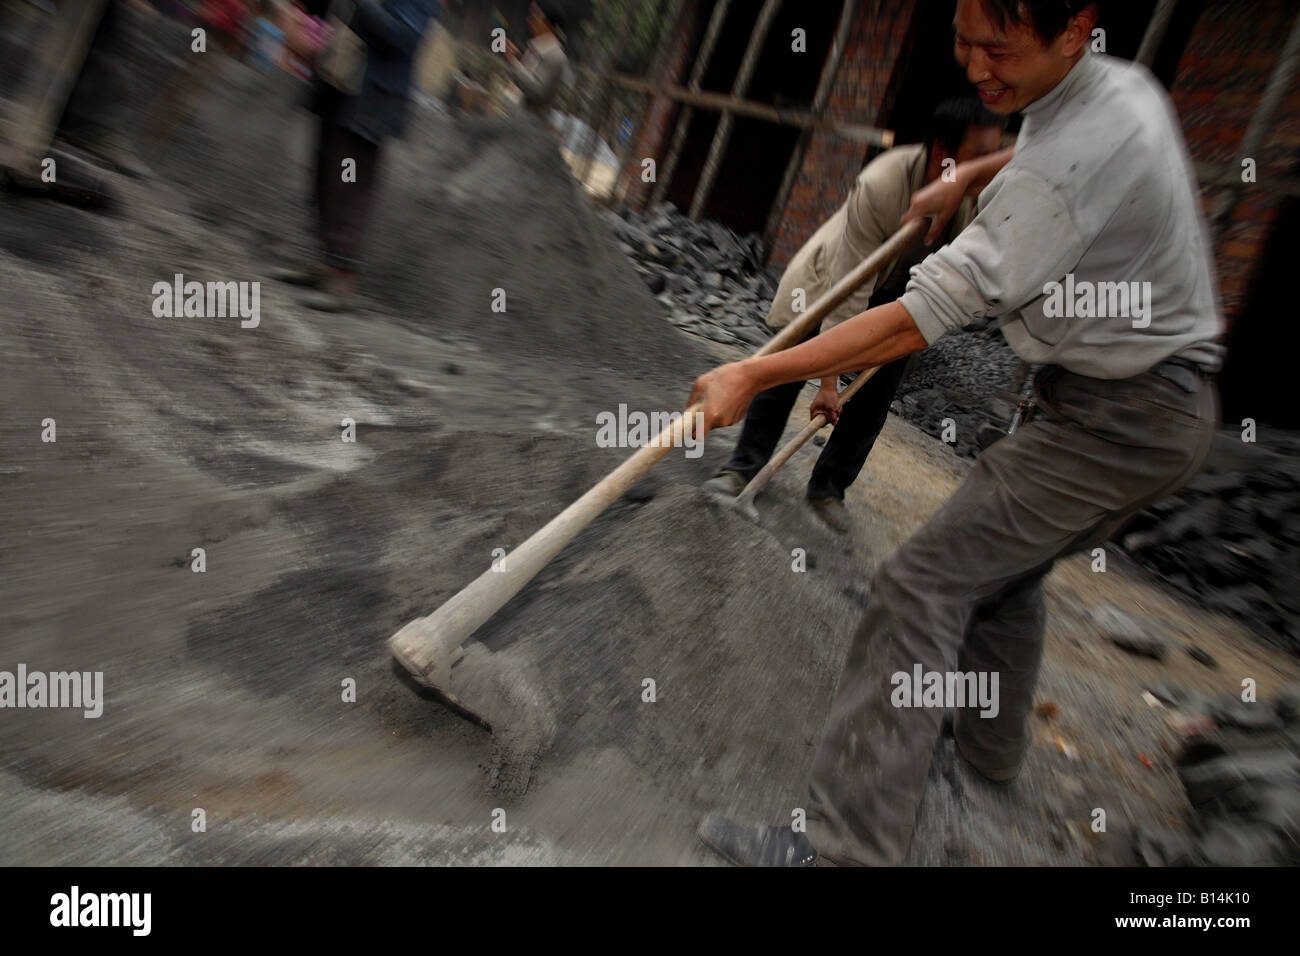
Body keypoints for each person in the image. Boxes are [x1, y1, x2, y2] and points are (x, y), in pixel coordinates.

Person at [689, 0, 1224, 866]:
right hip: (1159, 412)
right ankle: (987, 751)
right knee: (1006, 576)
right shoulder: (1120, 91)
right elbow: (1053, 147)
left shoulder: (1060, 173)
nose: (976, 66)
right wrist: (970, 177)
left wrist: (755, 372)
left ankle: (843, 848)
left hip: (1114, 420)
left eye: (998, 47)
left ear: (1071, 25)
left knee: (919, 586)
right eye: (961, 41)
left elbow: (915, 320)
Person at [702, 98, 1007, 532]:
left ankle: (828, 488)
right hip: (828, 281)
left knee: (877, 392)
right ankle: (741, 469)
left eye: (997, 155)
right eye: (981, 156)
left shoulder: (969, 199)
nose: (990, 168)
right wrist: (828, 385)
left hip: (897, 292)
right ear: (943, 153)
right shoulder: (883, 183)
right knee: (783, 370)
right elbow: (847, 293)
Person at [269, 0, 438, 312]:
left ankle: (342, 279)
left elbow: (403, 36)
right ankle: (324, 264)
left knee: (350, 184)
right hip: (336, 82)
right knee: (324, 174)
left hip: (370, 97)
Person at [504, 2, 569, 121]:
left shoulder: (555, 56)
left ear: (547, 24)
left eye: (534, 17)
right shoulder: (537, 47)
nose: (529, 20)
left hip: (529, 124)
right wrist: (518, 58)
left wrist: (513, 63)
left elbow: (537, 92)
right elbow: (529, 74)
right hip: (515, 116)